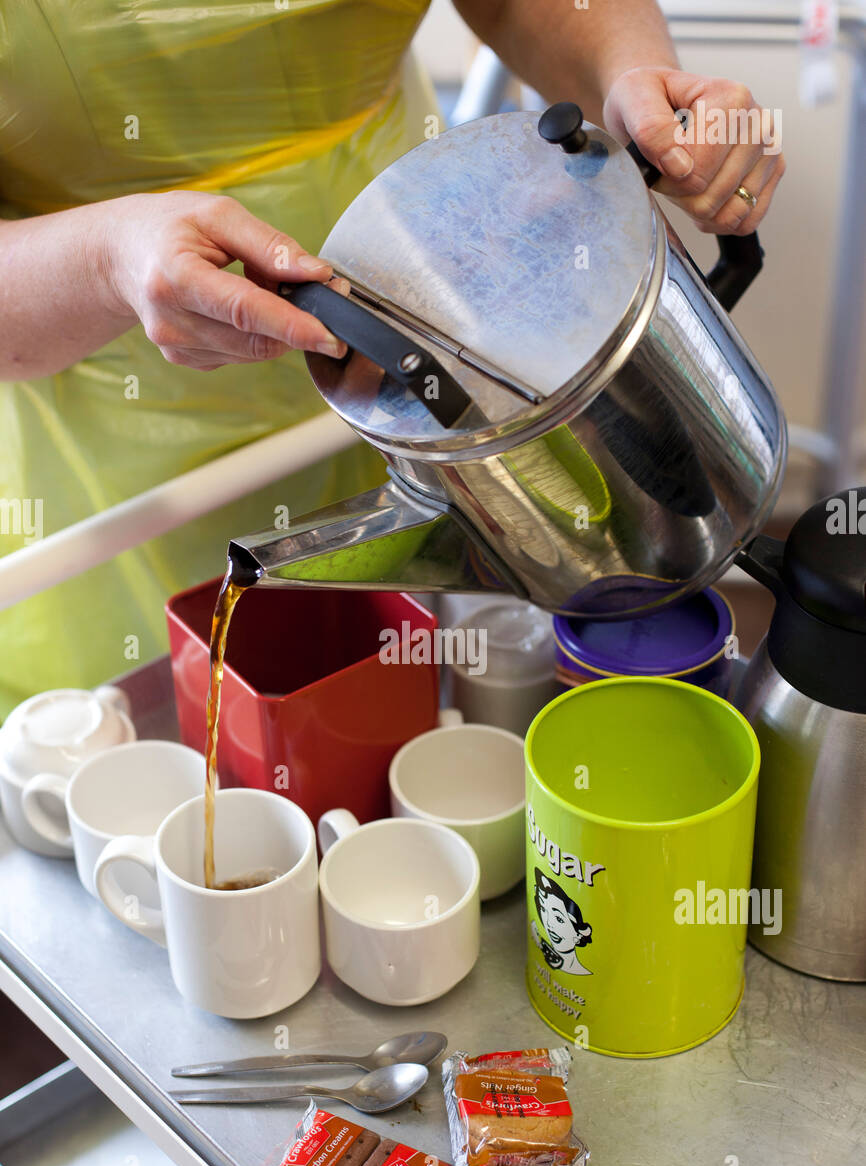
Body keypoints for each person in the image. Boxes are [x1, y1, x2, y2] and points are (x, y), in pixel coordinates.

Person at [0, 0, 785, 717]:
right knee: (139, 724)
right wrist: (108, 263)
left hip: (444, 322)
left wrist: (640, 87)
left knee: (413, 697)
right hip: (111, 429)